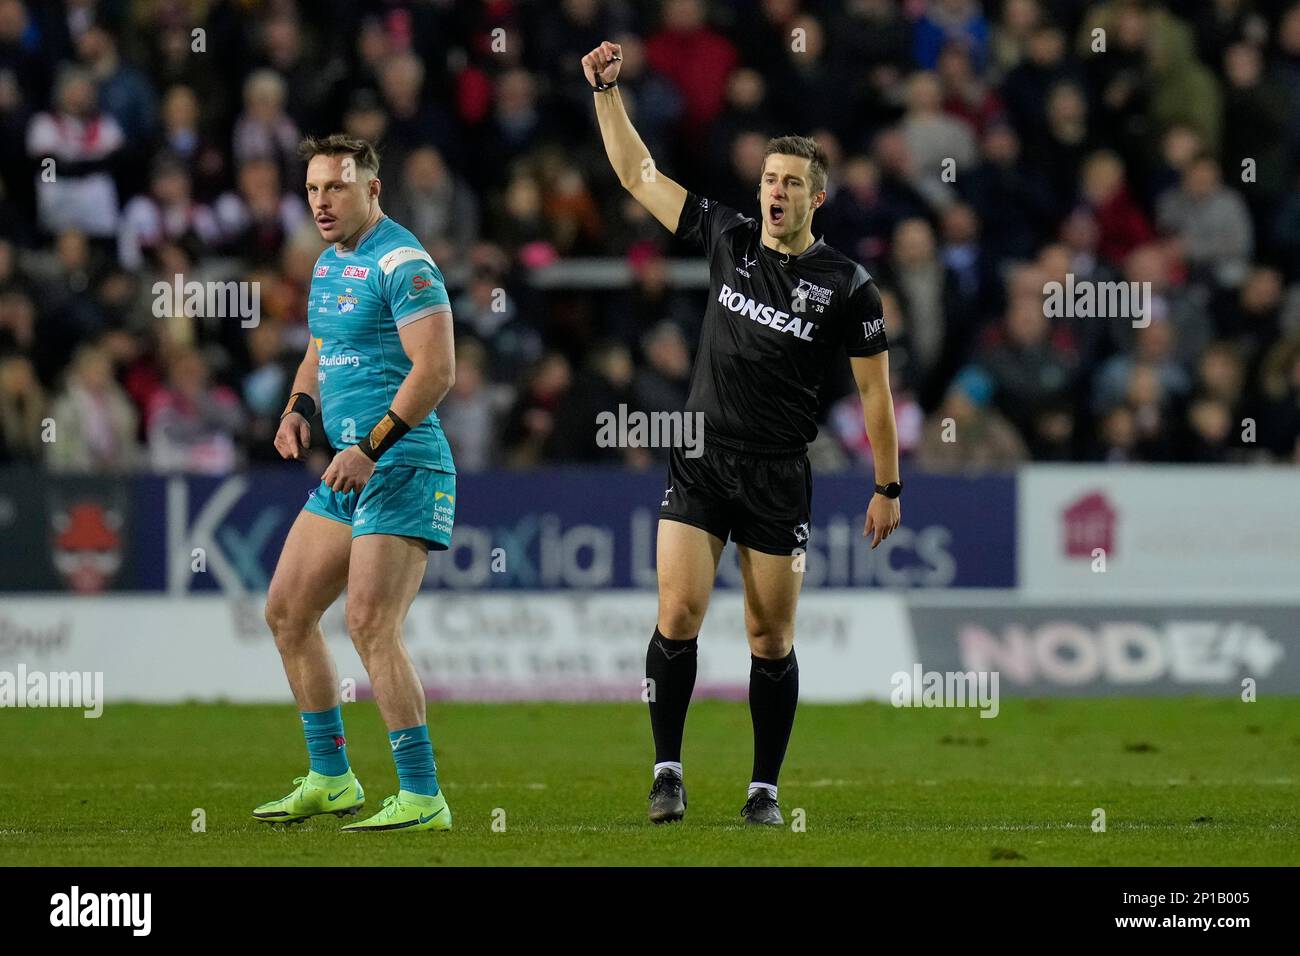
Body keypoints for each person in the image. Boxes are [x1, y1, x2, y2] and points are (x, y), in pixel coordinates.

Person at [584, 41, 901, 826]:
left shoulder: (847, 288)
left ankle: (764, 786)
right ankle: (667, 772)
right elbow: (638, 175)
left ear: (817, 199)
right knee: (679, 611)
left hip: (777, 472)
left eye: (792, 183)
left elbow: (876, 395)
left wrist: (888, 485)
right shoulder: (724, 236)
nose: (776, 193)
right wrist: (606, 93)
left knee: (769, 636)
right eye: (768, 180)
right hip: (700, 458)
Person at [253, 134, 457, 833]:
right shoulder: (326, 265)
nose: (321, 202)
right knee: (286, 611)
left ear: (372, 190)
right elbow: (320, 345)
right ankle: (331, 778)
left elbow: (436, 370)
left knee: (371, 623)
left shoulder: (403, 262)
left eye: (335, 188)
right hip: (351, 464)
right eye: (312, 190)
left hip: (401, 463)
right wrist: (298, 407)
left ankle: (424, 796)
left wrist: (370, 448)